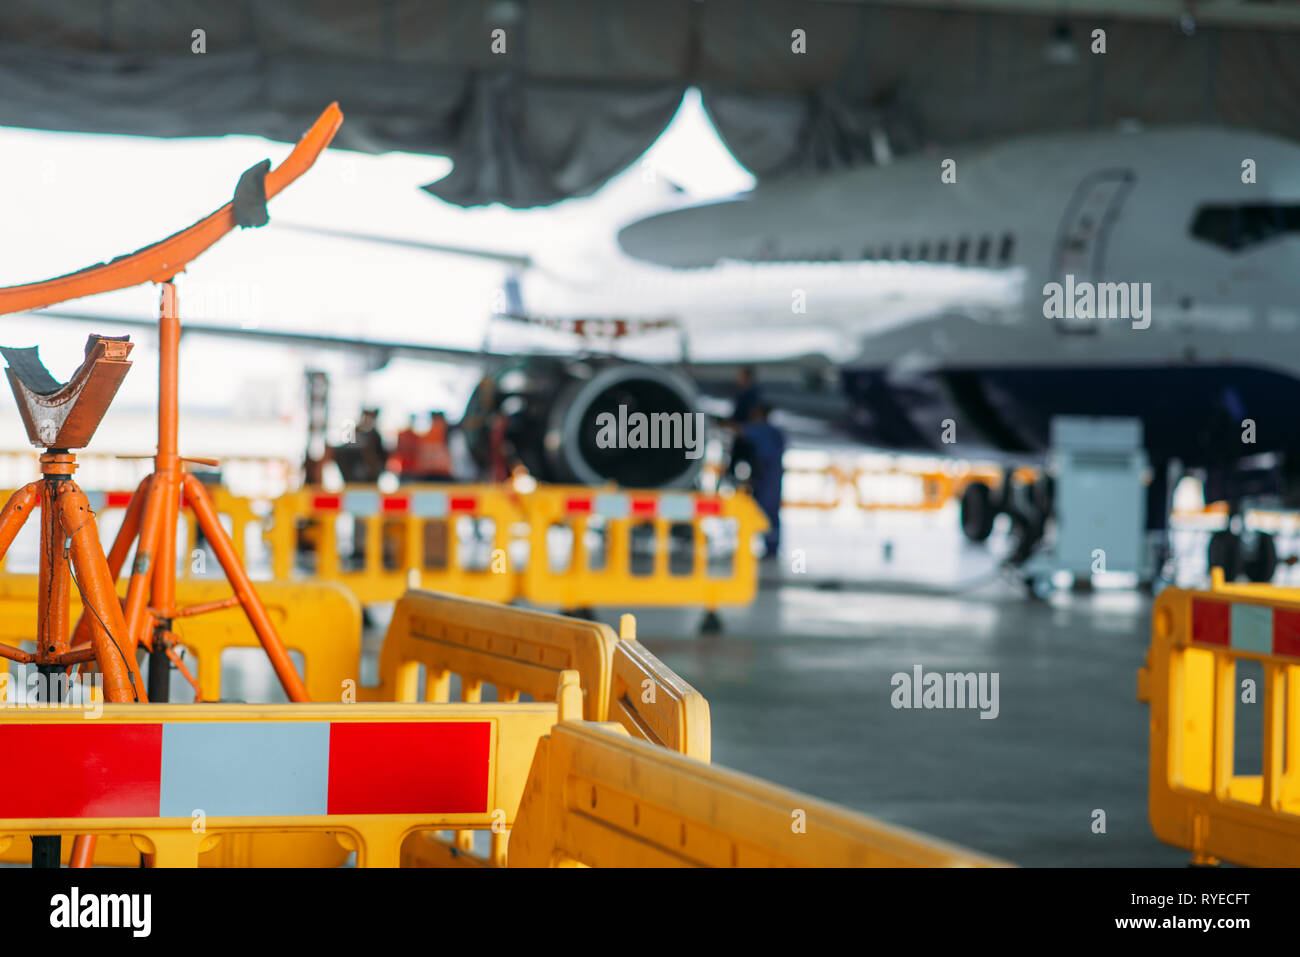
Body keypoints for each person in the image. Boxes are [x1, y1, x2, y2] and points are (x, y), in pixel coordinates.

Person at [739, 403, 785, 559]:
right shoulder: (776, 432)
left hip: (766, 479)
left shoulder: (762, 431)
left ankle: (771, 548)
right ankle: (772, 547)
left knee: (765, 513)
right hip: (772, 478)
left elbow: (742, 432)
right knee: (771, 514)